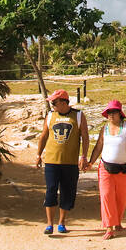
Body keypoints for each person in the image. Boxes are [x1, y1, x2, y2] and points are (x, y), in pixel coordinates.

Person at [35, 89, 89, 235]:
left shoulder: (78, 115)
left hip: (70, 162)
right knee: (51, 190)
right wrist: (39, 154)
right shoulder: (50, 115)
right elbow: (44, 136)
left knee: (67, 192)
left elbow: (85, 136)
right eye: (51, 102)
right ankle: (49, 224)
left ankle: (62, 222)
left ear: (64, 102)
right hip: (52, 161)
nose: (52, 105)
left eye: (54, 102)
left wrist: (84, 156)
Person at [86, 100, 126, 240]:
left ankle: (118, 221)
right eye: (109, 112)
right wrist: (91, 162)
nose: (110, 115)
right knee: (107, 196)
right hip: (105, 167)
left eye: (113, 112)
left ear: (120, 114)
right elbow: (98, 147)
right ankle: (109, 227)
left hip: (123, 168)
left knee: (121, 197)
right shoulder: (104, 129)